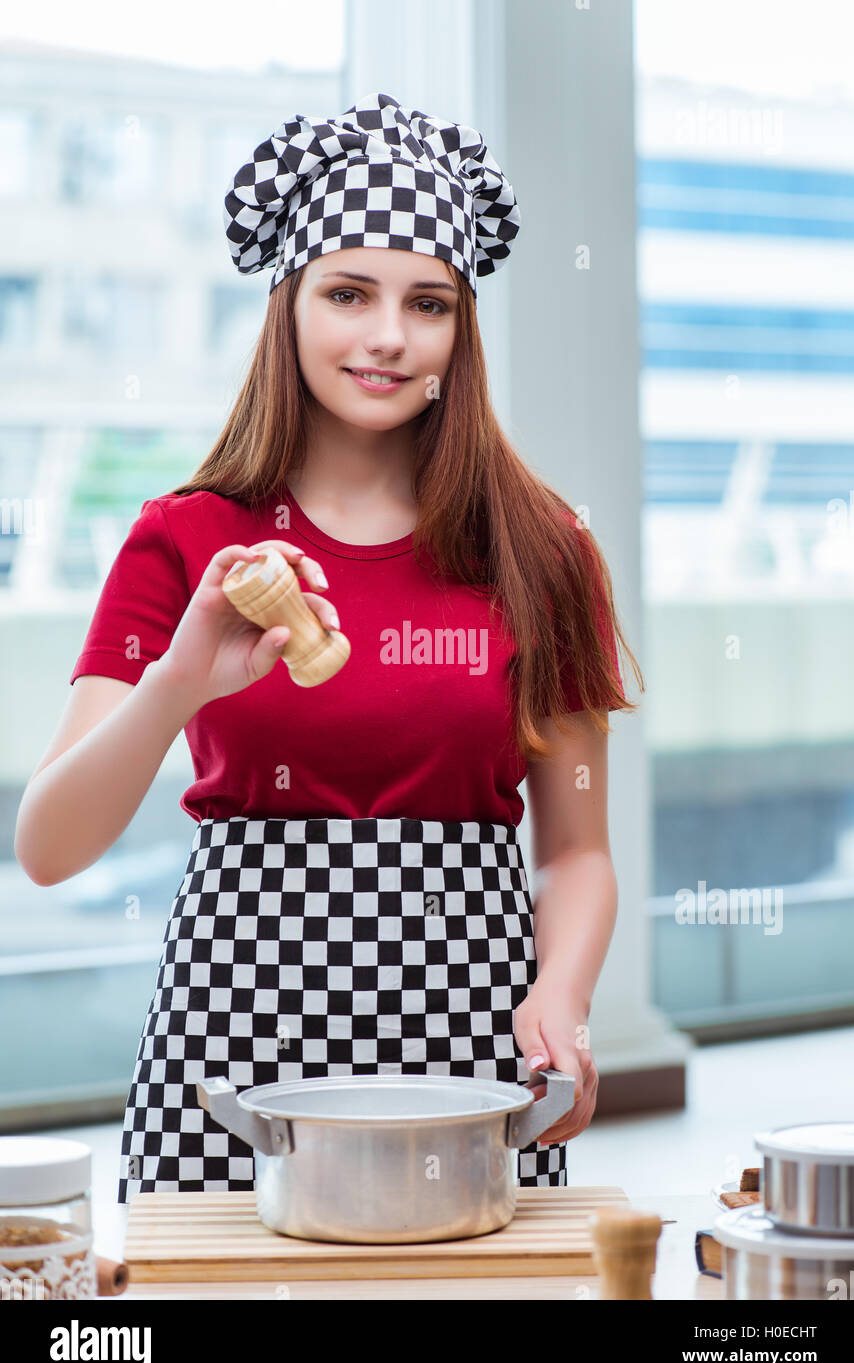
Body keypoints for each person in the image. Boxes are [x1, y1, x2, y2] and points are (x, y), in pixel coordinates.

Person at [15, 92, 643, 1203]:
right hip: (234, 1031)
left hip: (471, 1016)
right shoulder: (184, 540)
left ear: (463, 328)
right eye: (349, 292)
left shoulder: (548, 550)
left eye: (429, 303)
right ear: (287, 303)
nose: (390, 336)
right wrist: (178, 684)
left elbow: (574, 848)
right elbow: (51, 847)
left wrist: (565, 995)